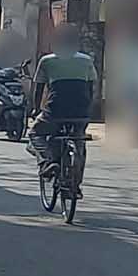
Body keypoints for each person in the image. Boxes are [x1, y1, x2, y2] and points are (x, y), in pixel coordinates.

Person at [27, 24, 97, 171]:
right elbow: (91, 89)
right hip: (81, 112)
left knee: (35, 134)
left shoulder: (47, 60)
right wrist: (88, 109)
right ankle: (76, 186)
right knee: (79, 144)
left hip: (55, 111)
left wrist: (35, 109)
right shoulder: (86, 60)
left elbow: (38, 89)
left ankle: (47, 161)